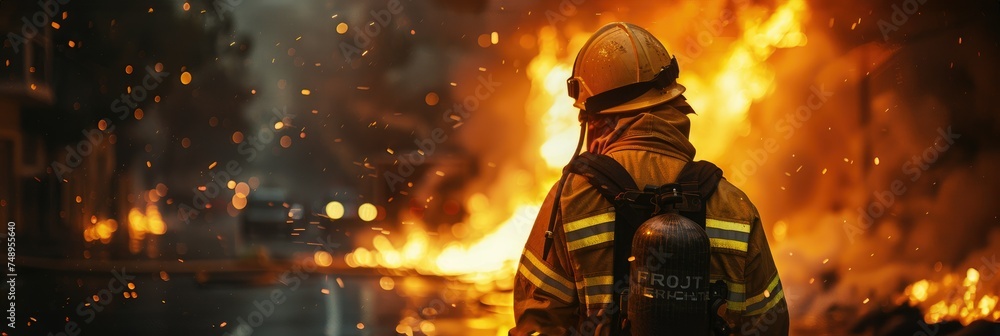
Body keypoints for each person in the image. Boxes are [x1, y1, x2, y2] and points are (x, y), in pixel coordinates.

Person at [510, 22, 789, 335]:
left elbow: (538, 321)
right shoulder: (735, 206)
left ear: (597, 119)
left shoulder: (571, 196)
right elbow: (770, 324)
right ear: (674, 104)